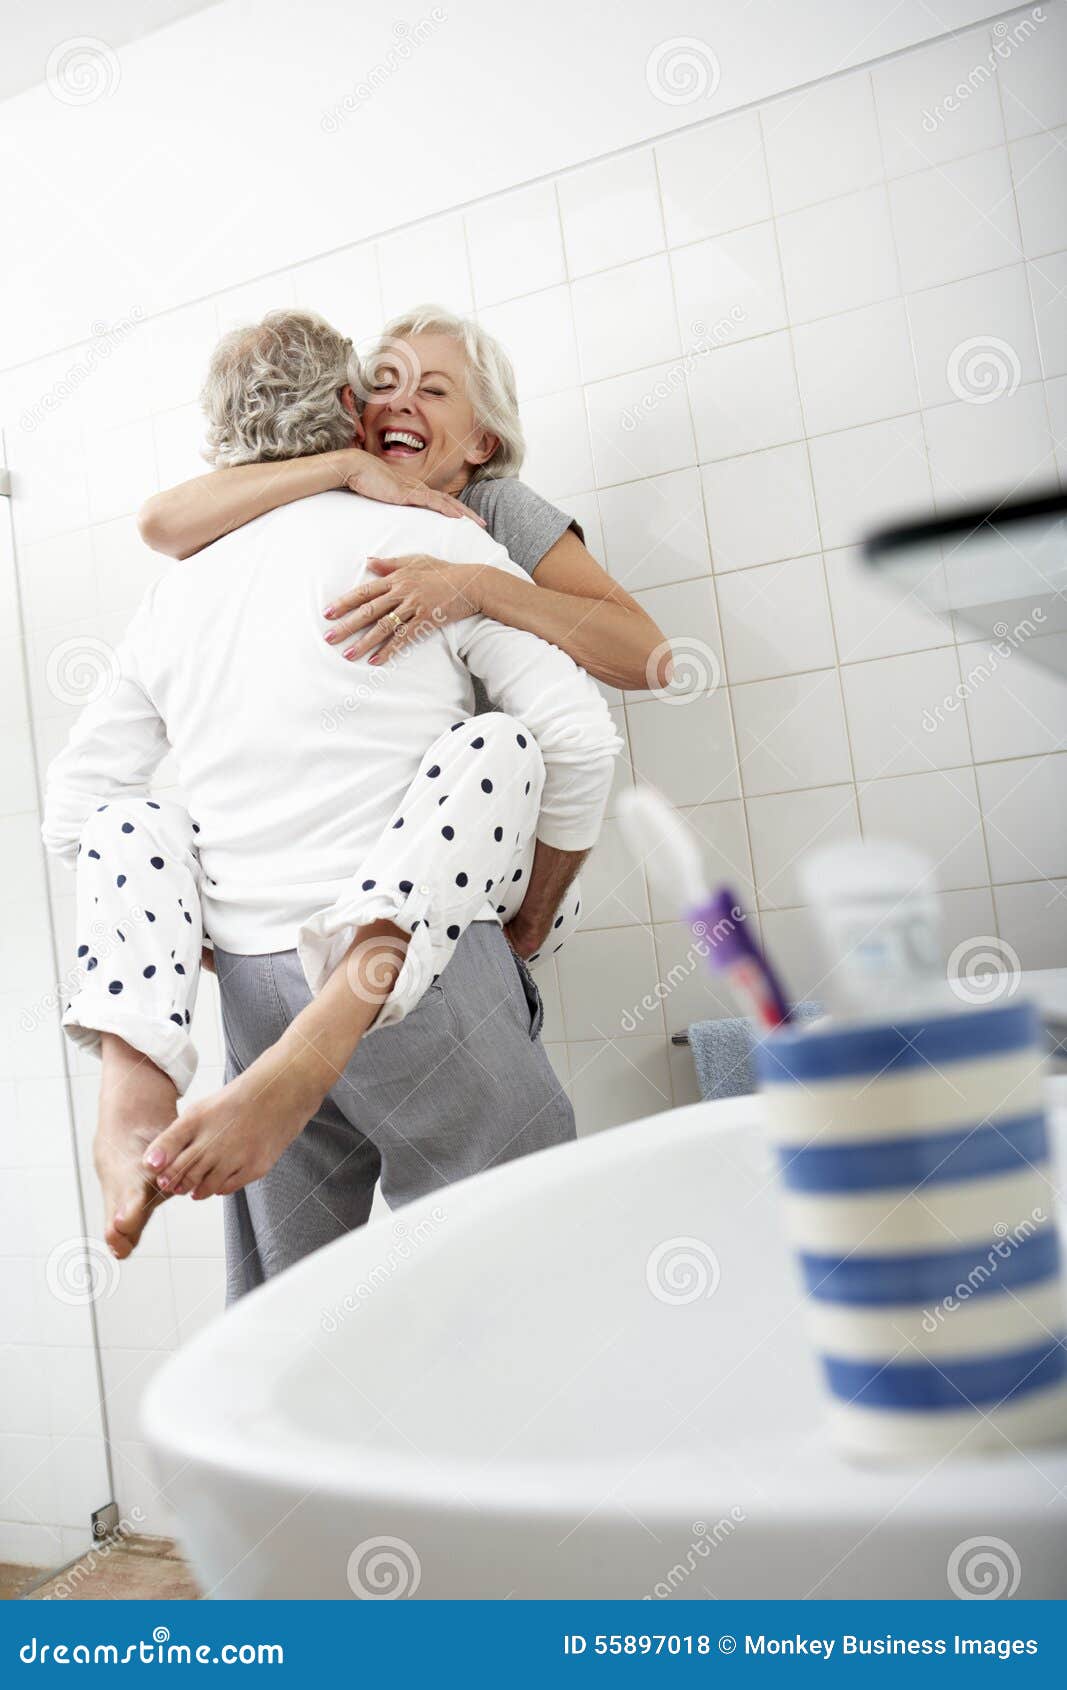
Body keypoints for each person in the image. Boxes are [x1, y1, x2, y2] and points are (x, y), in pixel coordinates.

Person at [42, 310, 620, 1299]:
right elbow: (577, 735)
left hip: (253, 992)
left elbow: (76, 813)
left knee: (297, 1321)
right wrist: (528, 912)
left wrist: (210, 929)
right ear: (350, 409)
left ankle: (137, 1071)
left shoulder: (177, 588)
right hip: (417, 966)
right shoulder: (427, 534)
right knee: (525, 1279)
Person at [138, 304, 671, 694]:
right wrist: (344, 465)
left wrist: (477, 587)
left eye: (433, 391)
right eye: (384, 386)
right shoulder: (334, 496)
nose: (400, 404)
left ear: (482, 442)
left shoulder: (494, 509)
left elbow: (650, 658)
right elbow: (162, 523)